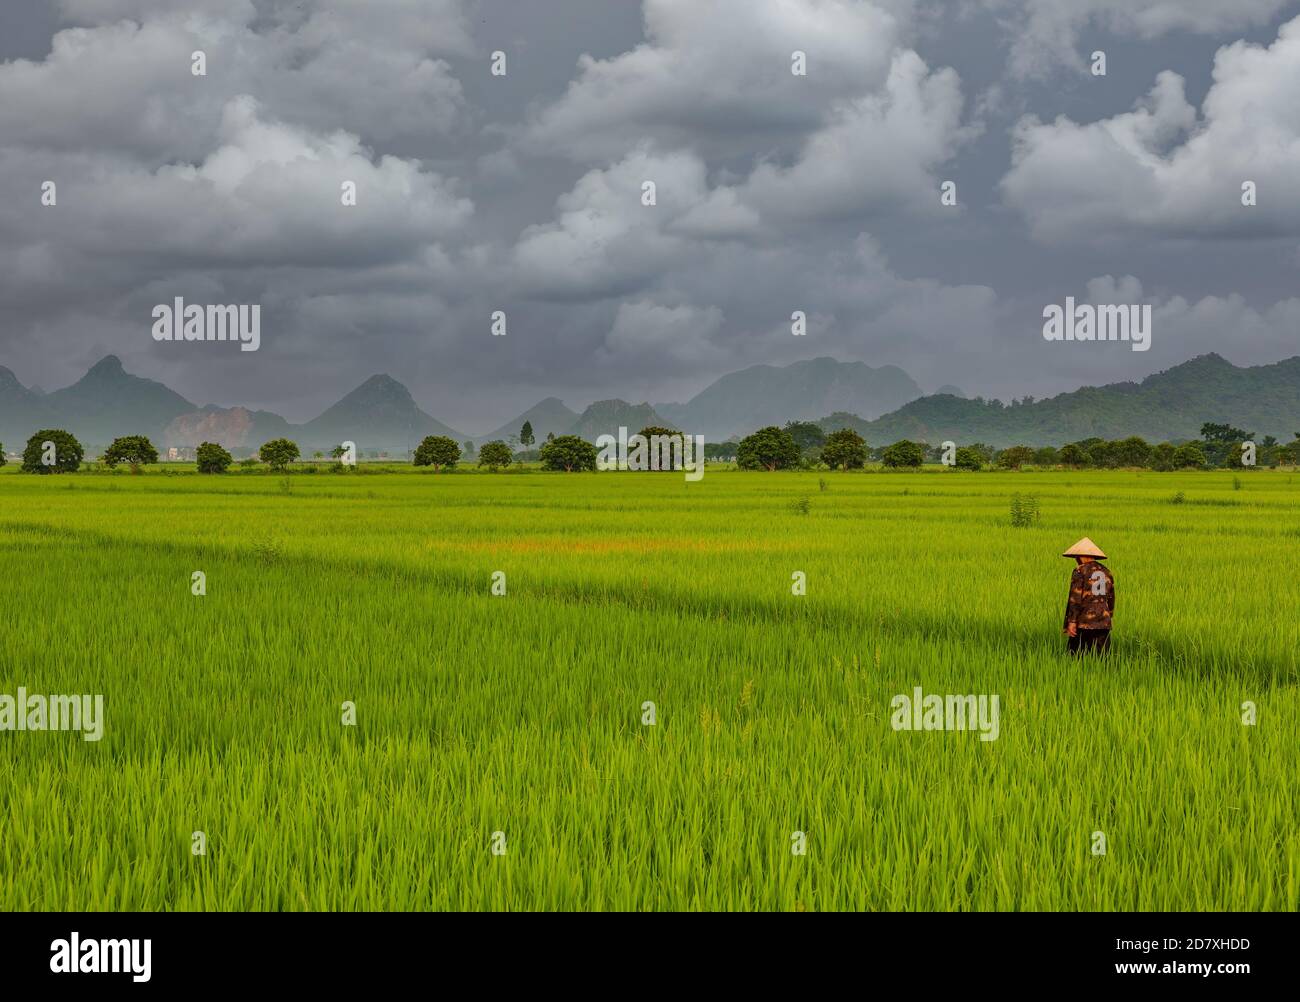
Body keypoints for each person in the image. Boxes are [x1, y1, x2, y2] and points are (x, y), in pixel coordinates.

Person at [1061, 537, 1114, 654]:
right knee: (1102, 659)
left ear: (1082, 556)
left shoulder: (1080, 570)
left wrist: (1072, 621)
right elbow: (1111, 598)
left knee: (1076, 657)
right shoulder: (1106, 571)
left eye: (1077, 557)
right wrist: (1109, 616)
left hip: (1084, 622)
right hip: (1104, 622)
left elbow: (1075, 599)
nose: (1076, 560)